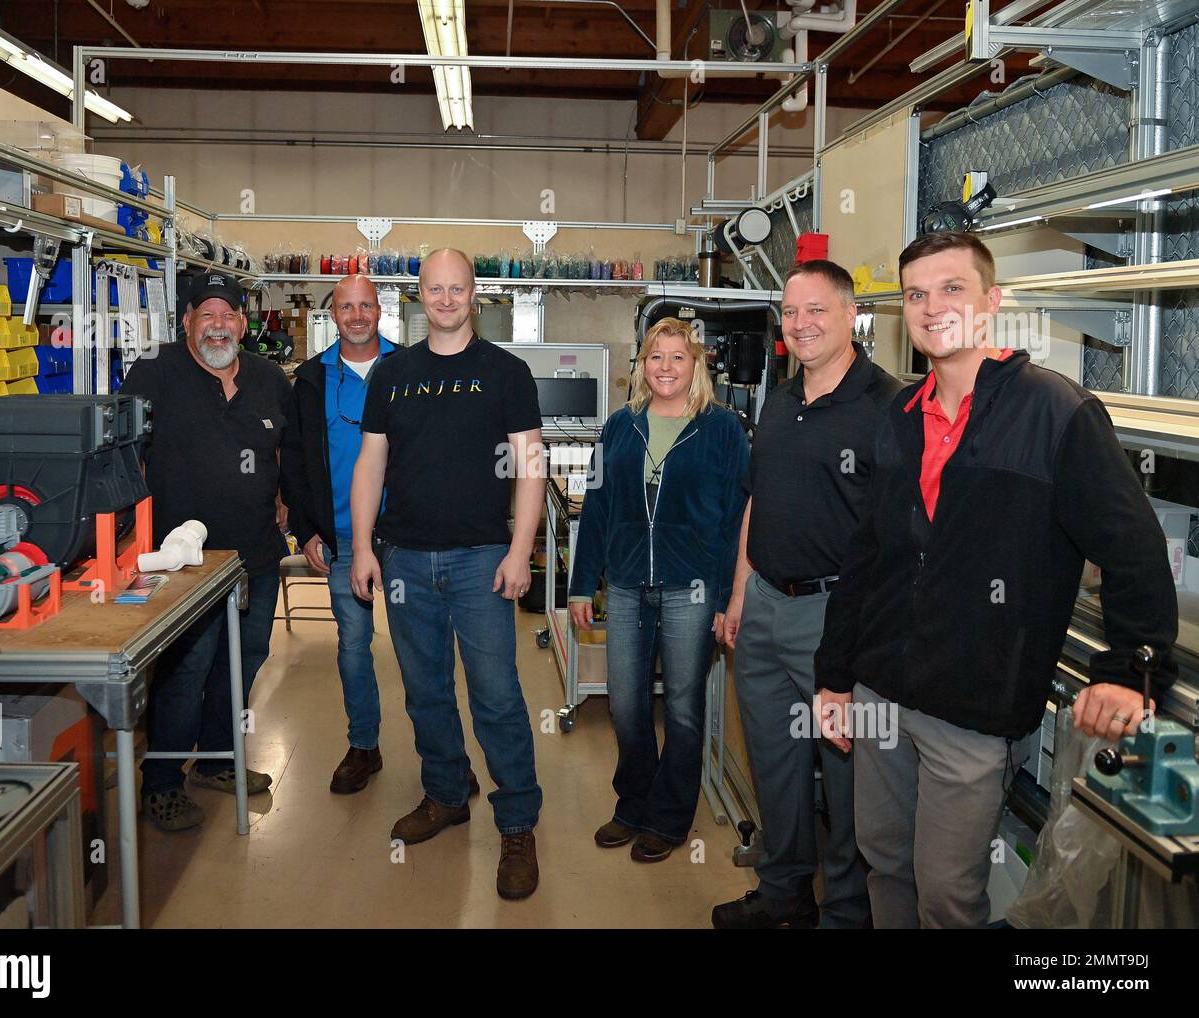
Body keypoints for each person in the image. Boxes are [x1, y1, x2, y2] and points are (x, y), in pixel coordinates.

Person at [813, 231, 1179, 928]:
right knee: (883, 861)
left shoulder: (1056, 412)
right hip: (880, 689)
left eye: (952, 288)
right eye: (916, 294)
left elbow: (1133, 547)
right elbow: (867, 557)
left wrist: (1129, 670)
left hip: (974, 709)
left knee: (948, 894)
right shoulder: (899, 415)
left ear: (991, 301)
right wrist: (834, 676)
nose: (932, 307)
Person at [349, 248, 547, 900]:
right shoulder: (392, 373)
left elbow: (530, 465)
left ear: (474, 294)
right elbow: (370, 464)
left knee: (495, 694)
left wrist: (521, 551)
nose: (445, 298)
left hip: (483, 560)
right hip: (405, 558)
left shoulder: (506, 372)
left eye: (456, 288)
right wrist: (362, 547)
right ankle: (445, 791)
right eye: (434, 289)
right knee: (424, 689)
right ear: (419, 295)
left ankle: (517, 823)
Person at [711, 261, 900, 930]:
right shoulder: (782, 398)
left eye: (816, 310)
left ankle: (847, 912)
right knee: (776, 766)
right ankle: (784, 890)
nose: (801, 324)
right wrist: (738, 597)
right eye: (791, 313)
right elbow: (757, 503)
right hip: (762, 604)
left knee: (847, 780)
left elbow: (899, 537)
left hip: (835, 617)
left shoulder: (888, 405)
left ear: (852, 315)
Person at [121, 270, 299, 832]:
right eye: (207, 316)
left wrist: (286, 501)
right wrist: (129, 539)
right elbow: (126, 459)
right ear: (187, 323)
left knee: (245, 657)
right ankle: (163, 783)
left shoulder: (270, 379)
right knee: (185, 670)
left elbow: (288, 456)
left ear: (242, 325)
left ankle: (220, 759)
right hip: (182, 560)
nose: (218, 327)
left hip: (255, 552)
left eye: (228, 316)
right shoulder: (155, 375)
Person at [569, 317, 748, 864]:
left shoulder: (721, 429)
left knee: (684, 708)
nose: (666, 367)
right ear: (642, 365)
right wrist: (581, 584)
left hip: (691, 588)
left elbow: (736, 519)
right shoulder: (621, 425)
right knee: (626, 705)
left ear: (696, 366)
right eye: (655, 356)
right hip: (624, 584)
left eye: (677, 357)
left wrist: (724, 597)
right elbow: (597, 506)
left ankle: (669, 819)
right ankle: (633, 804)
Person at [285, 275, 397, 794]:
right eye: (346, 306)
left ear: (380, 311)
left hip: (403, 538)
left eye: (365, 306)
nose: (357, 315)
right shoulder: (310, 378)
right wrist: (306, 529)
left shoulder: (409, 369)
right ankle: (363, 745)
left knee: (424, 648)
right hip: (341, 537)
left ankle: (443, 753)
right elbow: (297, 459)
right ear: (334, 314)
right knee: (353, 645)